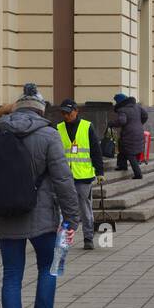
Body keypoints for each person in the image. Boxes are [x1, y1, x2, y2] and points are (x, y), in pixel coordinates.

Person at [0, 83, 80, 308]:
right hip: (44, 219)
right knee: (49, 269)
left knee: (11, 277)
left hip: (6, 215)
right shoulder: (49, 135)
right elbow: (63, 181)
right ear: (41, 109)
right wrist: (72, 218)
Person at [57, 99, 103, 250]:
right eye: (63, 113)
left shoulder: (87, 126)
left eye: (68, 112)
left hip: (83, 176)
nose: (66, 115)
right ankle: (64, 238)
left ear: (76, 111)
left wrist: (100, 171)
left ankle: (88, 238)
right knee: (63, 208)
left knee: (84, 208)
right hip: (65, 176)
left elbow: (96, 150)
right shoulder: (59, 128)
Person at [107, 93, 148, 180]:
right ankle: (122, 165)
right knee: (122, 147)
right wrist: (139, 123)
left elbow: (122, 121)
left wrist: (112, 123)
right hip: (139, 132)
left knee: (130, 154)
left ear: (119, 102)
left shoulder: (122, 109)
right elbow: (145, 115)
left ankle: (138, 174)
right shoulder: (137, 106)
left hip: (129, 133)